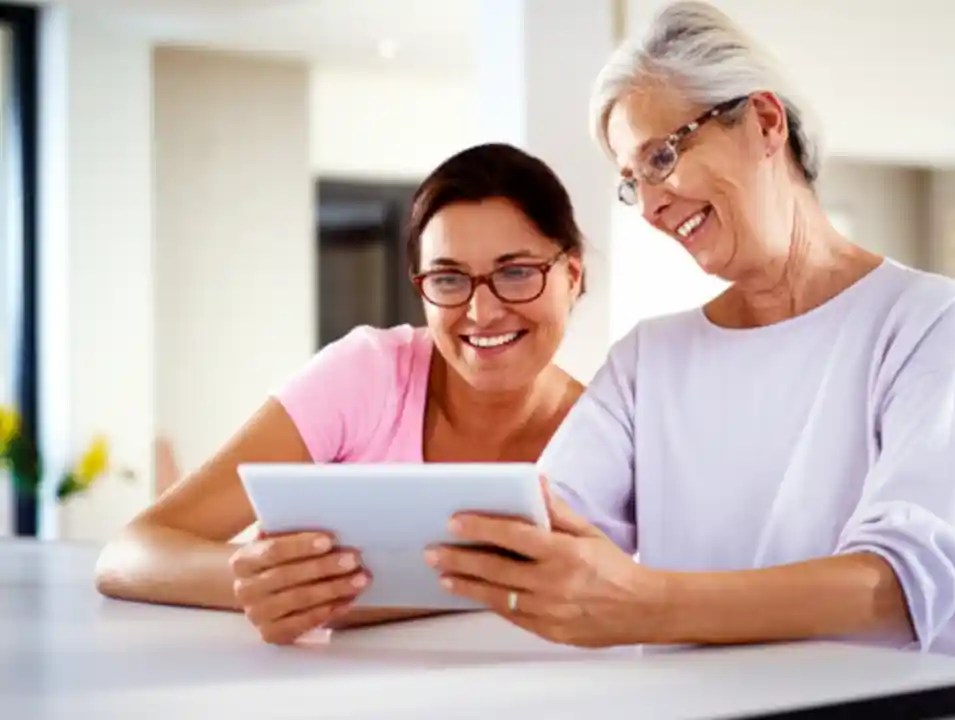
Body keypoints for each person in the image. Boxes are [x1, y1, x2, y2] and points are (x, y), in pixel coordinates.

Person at [424, 2, 955, 715]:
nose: (648, 206)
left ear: (766, 122)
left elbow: (894, 591)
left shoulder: (936, 324)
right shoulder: (650, 359)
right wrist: (286, 582)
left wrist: (647, 603)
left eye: (662, 156)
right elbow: (525, 541)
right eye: (631, 181)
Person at [95, 143, 587, 645]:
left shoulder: (608, 426)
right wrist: (267, 584)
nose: (482, 311)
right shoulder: (369, 373)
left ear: (572, 275)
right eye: (448, 278)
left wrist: (355, 599)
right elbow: (131, 552)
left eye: (516, 272)